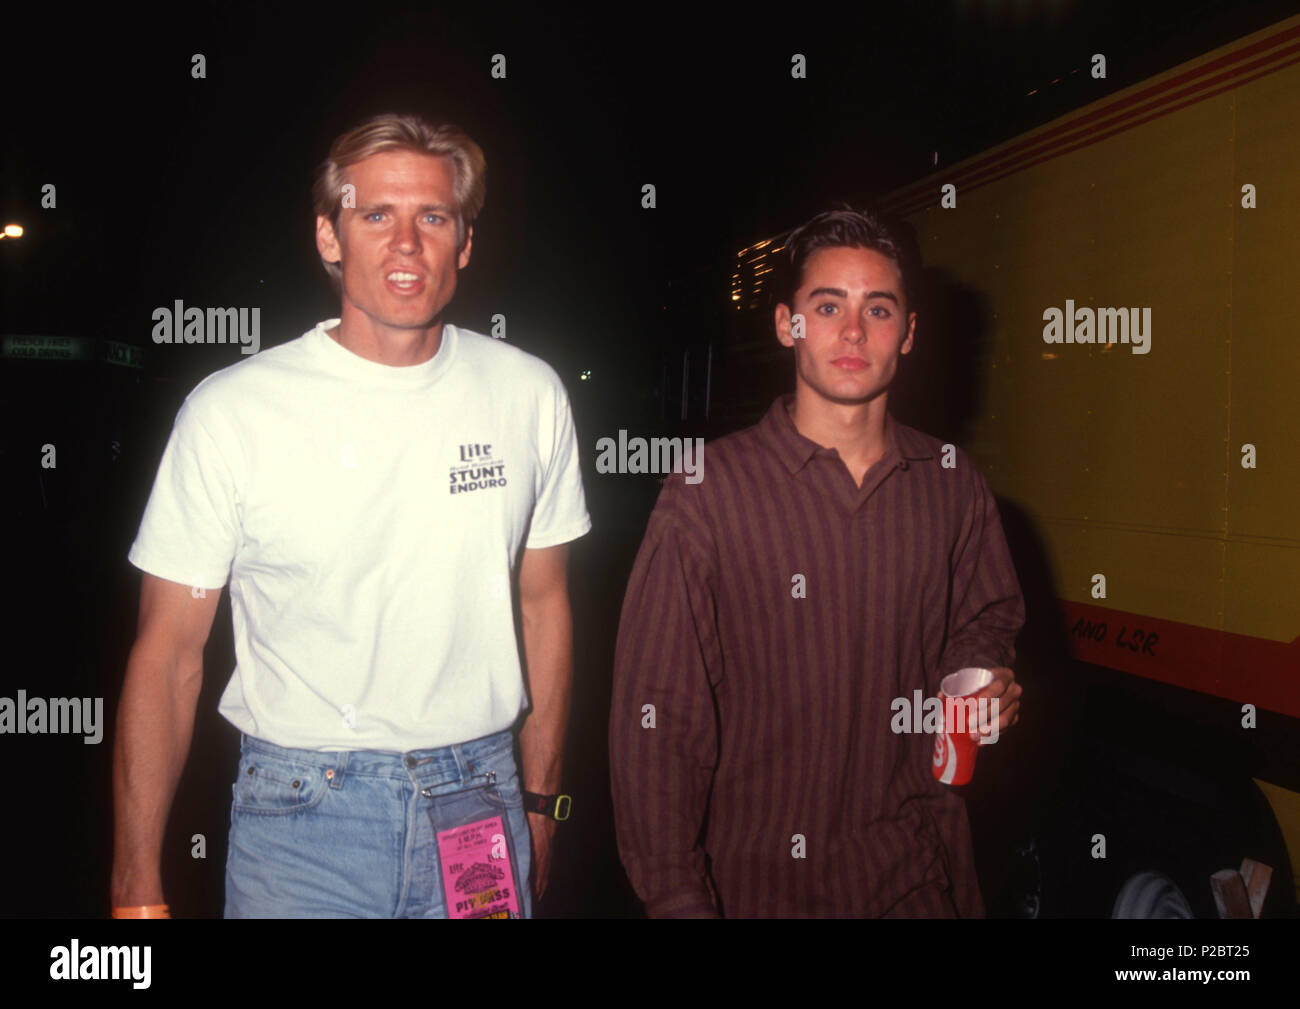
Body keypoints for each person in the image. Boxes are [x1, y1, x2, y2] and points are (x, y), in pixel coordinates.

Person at [111, 113, 590, 918]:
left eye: (433, 217)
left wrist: (541, 805)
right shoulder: (233, 411)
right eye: (377, 215)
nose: (407, 242)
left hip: (479, 805)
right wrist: (134, 885)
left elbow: (544, 606)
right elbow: (167, 654)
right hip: (300, 819)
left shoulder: (529, 393)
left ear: (464, 242)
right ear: (330, 237)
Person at [609, 207, 1025, 917]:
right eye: (827, 305)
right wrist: (678, 898)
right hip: (756, 890)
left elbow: (985, 615)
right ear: (785, 325)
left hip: (915, 877)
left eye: (879, 308)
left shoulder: (952, 480)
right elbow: (658, 723)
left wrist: (983, 682)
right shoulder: (707, 495)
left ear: (910, 333)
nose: (853, 331)